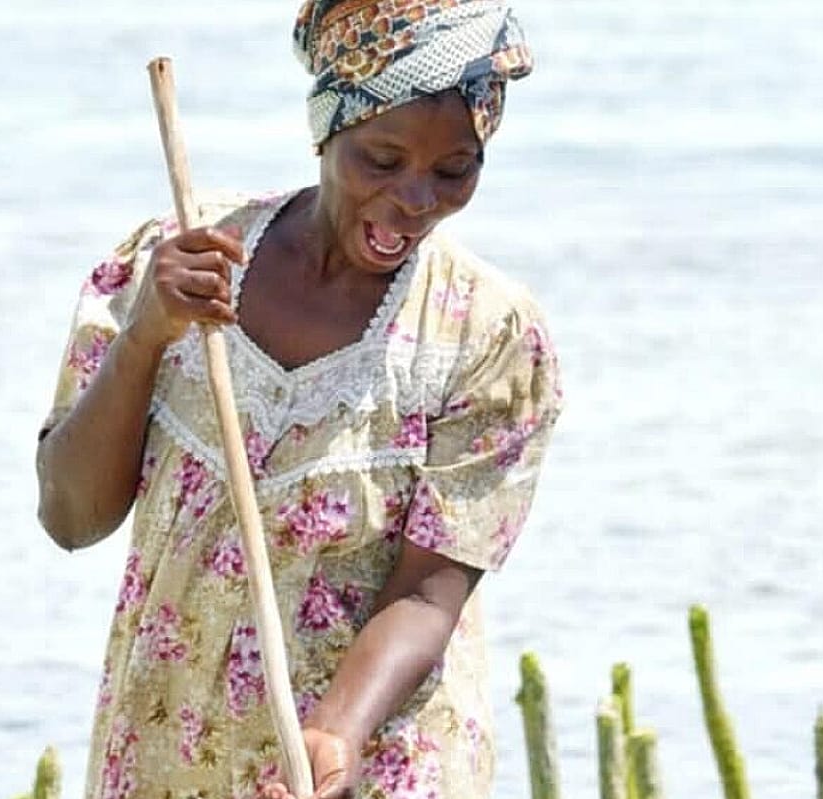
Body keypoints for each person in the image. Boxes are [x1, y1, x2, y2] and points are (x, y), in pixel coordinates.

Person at [35, 1, 562, 796]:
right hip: (168, 751)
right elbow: (71, 517)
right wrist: (148, 331)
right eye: (381, 160)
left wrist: (334, 733)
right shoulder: (178, 259)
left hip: (370, 760)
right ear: (326, 134)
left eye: (453, 171)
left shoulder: (488, 335)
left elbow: (428, 590)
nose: (414, 200)